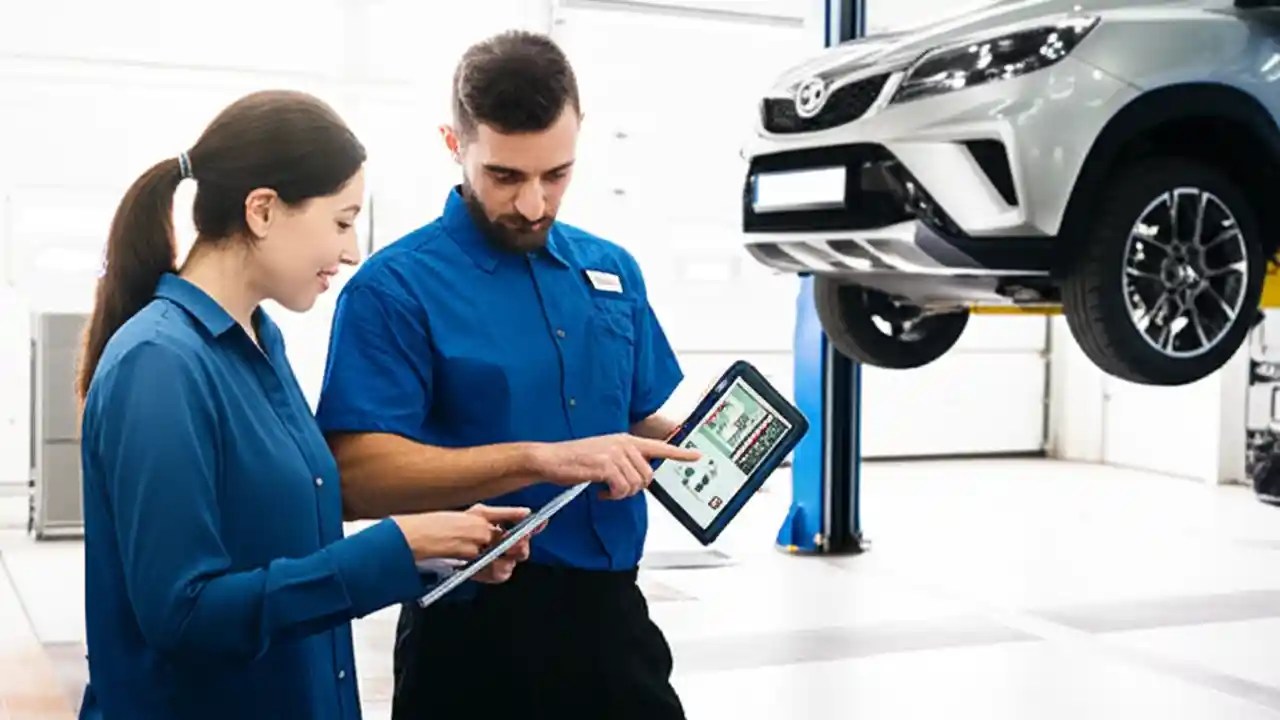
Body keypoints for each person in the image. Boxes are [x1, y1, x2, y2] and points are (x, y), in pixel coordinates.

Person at [74, 89, 535, 720]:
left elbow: (283, 551)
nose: (349, 252)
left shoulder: (262, 344)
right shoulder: (159, 364)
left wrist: (430, 553)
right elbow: (183, 615)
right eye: (342, 222)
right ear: (263, 210)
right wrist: (387, 552)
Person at [315, 31, 700, 720]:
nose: (533, 204)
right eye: (505, 177)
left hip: (616, 623)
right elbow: (355, 476)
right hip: (474, 629)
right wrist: (539, 461)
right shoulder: (393, 290)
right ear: (452, 142)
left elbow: (632, 418)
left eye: (556, 175)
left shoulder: (612, 271)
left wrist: (700, 446)